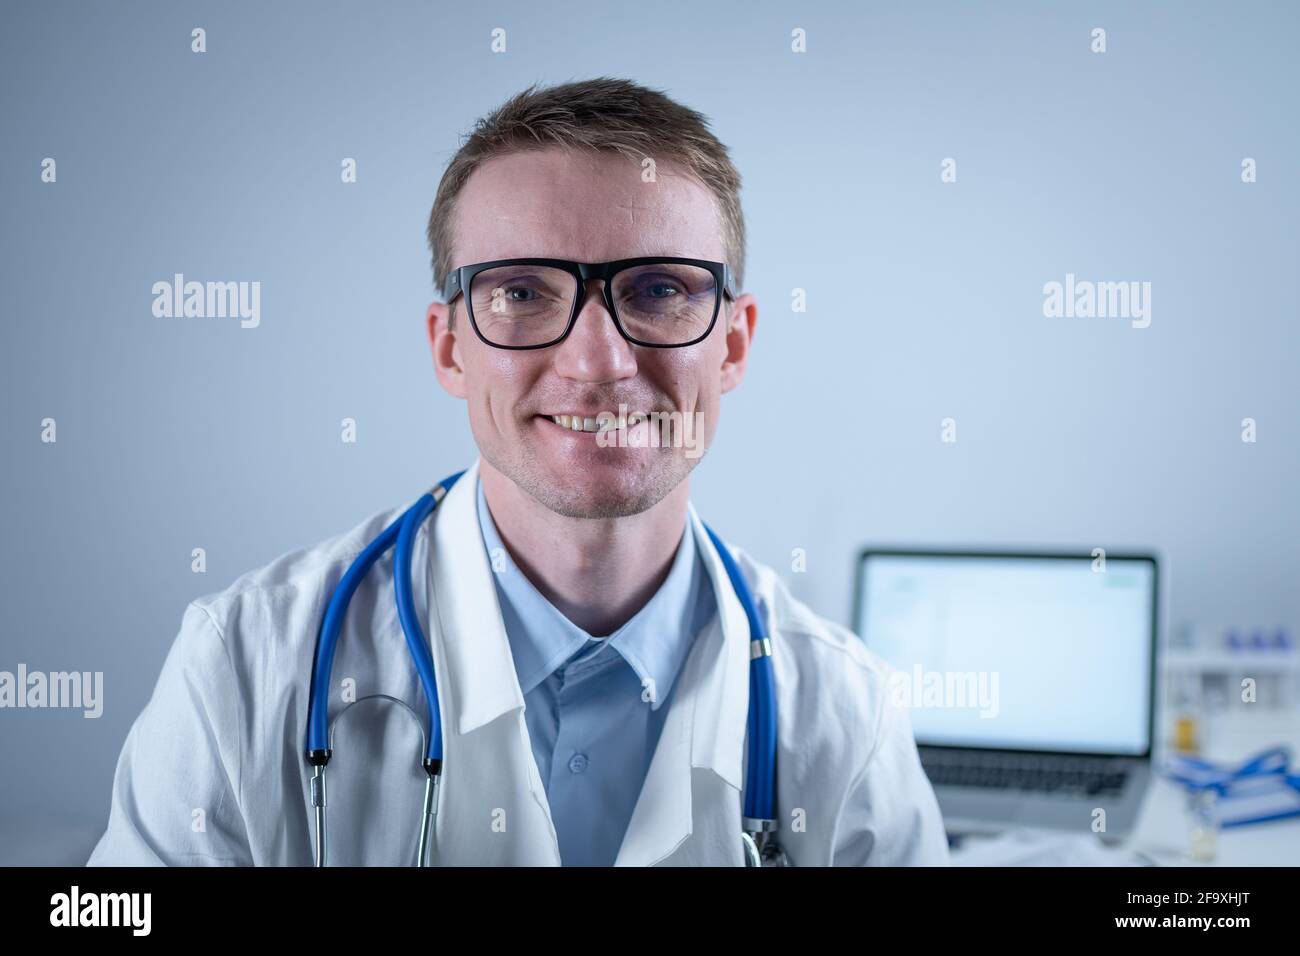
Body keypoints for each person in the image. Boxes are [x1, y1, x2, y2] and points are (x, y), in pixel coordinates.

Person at [88, 78, 950, 866]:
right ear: (449, 349)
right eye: (523, 293)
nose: (600, 361)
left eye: (658, 290)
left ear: (732, 344)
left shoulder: (846, 715)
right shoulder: (245, 668)